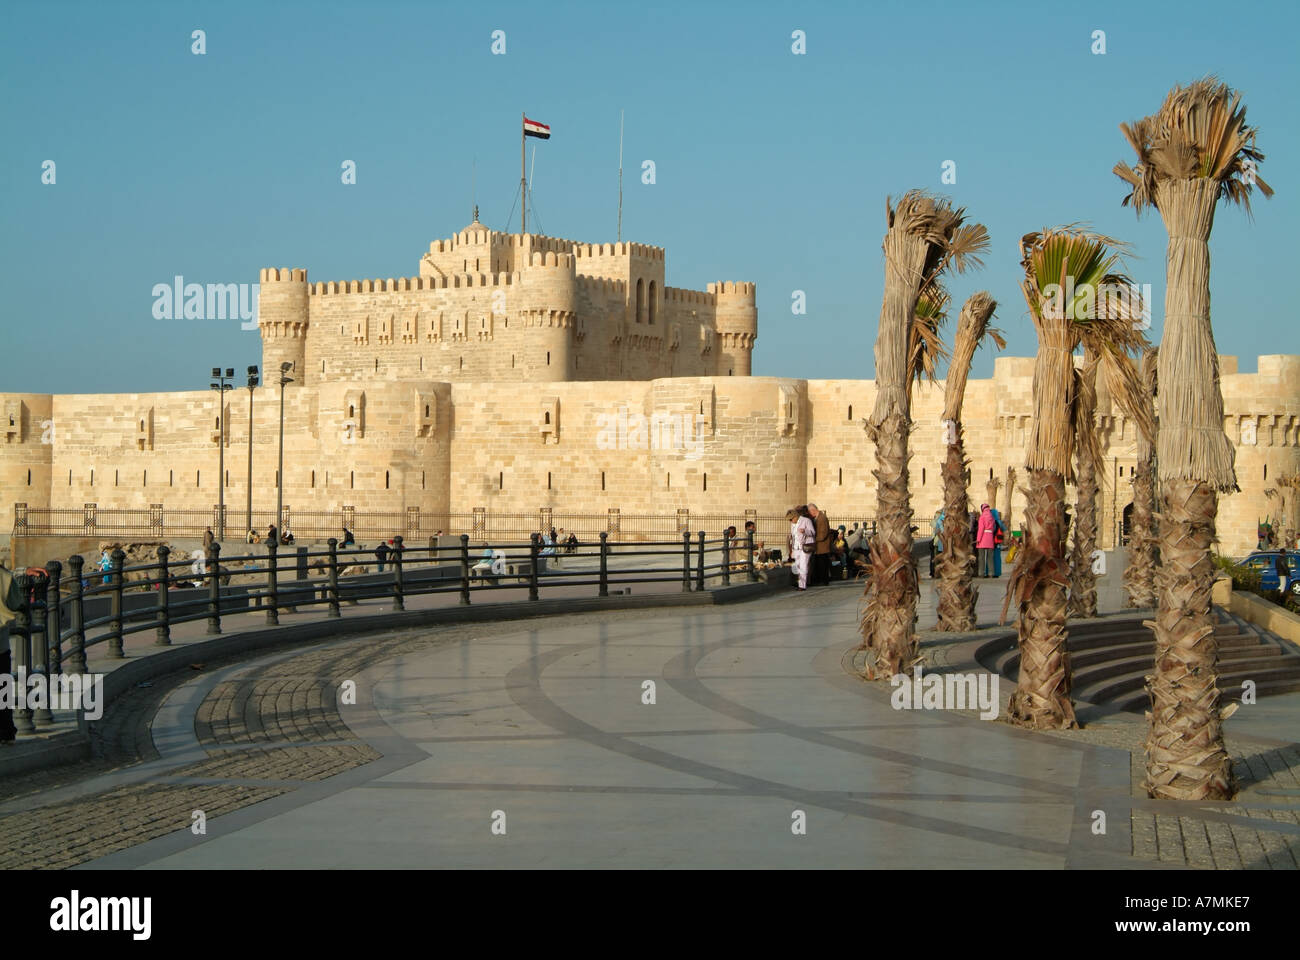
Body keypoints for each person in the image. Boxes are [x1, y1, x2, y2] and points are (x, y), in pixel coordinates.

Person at [787, 507, 814, 591]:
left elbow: (813, 532)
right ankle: (799, 582)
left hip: (805, 546)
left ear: (795, 516)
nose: (790, 521)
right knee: (797, 566)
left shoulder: (806, 521)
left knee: (803, 565)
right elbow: (794, 536)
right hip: (796, 547)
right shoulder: (793, 524)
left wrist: (805, 531)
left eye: (791, 519)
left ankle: (802, 585)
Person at [808, 503, 832, 586]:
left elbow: (823, 533)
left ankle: (824, 581)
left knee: (822, 565)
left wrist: (814, 539)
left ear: (813, 510)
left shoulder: (822, 518)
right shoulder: (818, 518)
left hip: (822, 547)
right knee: (820, 565)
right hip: (820, 547)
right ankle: (821, 580)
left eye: (810, 512)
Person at [976, 503, 997, 578]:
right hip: (990, 538)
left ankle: (981, 573)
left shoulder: (982, 517)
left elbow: (981, 529)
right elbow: (994, 528)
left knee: (981, 557)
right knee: (990, 557)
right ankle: (991, 573)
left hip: (982, 539)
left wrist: (978, 539)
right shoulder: (992, 517)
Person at [989, 505, 1006, 577]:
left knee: (991, 558)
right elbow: (1004, 530)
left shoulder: (991, 522)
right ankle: (998, 572)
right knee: (998, 558)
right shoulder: (999, 522)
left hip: (992, 542)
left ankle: (992, 572)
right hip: (998, 542)